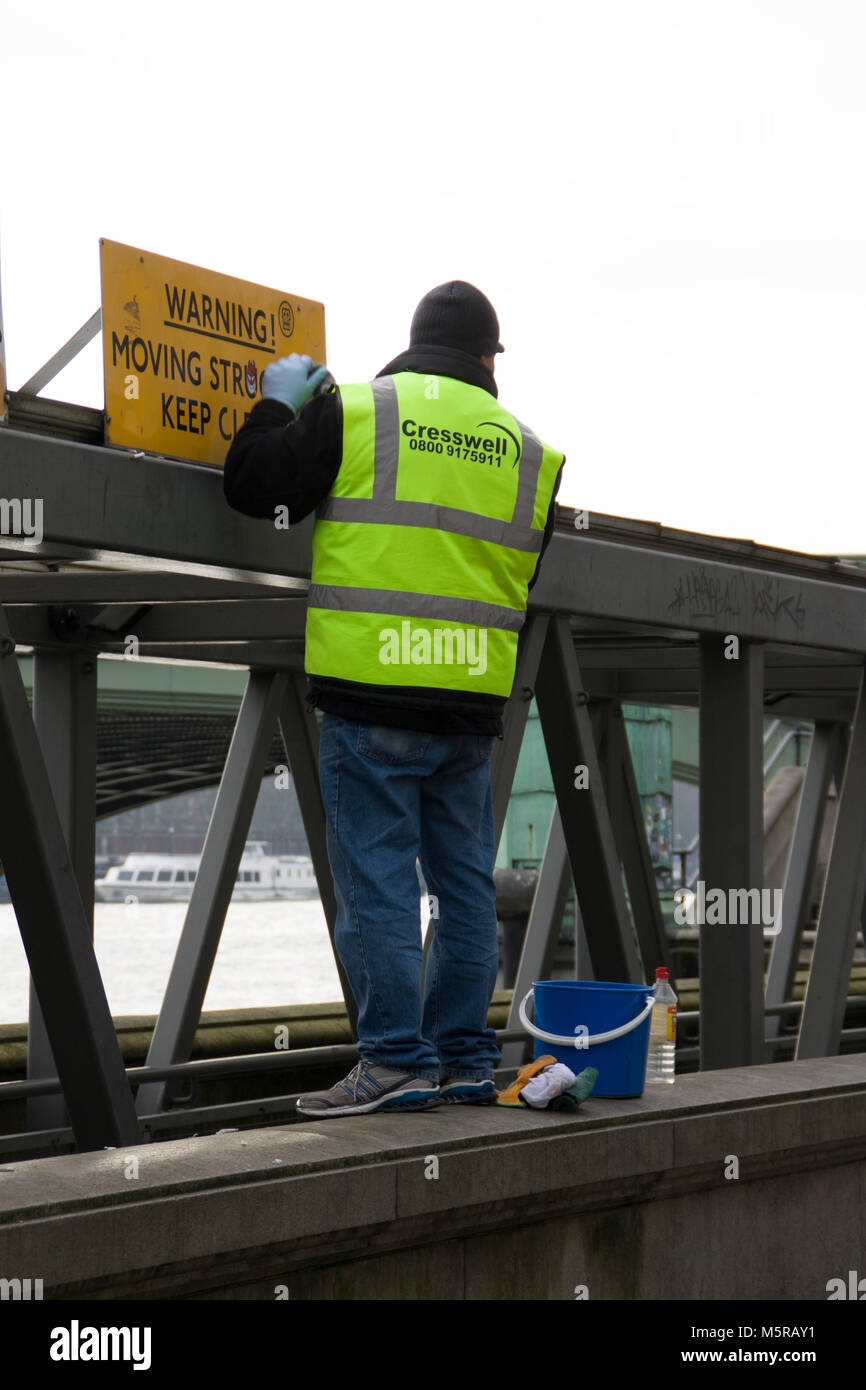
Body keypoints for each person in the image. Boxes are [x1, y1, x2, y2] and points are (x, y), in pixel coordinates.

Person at [223, 281, 564, 1117]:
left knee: (377, 884)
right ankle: (465, 1061)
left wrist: (276, 410)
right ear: (489, 360)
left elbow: (256, 487)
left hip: (373, 694)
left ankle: (394, 1063)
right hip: (467, 705)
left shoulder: (362, 411)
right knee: (464, 887)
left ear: (416, 346)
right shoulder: (530, 454)